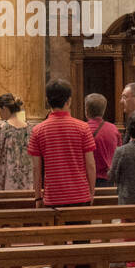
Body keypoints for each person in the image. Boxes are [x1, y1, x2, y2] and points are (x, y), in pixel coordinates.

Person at [28, 78, 96, 207]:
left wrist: (38, 197)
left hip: (53, 198)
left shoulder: (37, 130)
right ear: (69, 100)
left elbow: (36, 168)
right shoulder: (83, 127)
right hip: (80, 196)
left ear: (47, 101)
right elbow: (90, 165)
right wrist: (91, 192)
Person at [0, 93, 33, 191]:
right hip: (25, 182)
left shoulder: (1, 128)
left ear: (5, 108)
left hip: (5, 181)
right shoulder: (30, 129)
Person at [84, 93, 120, 187]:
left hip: (86, 179)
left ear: (86, 110)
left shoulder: (82, 129)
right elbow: (118, 155)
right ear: (103, 110)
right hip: (108, 180)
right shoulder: (113, 129)